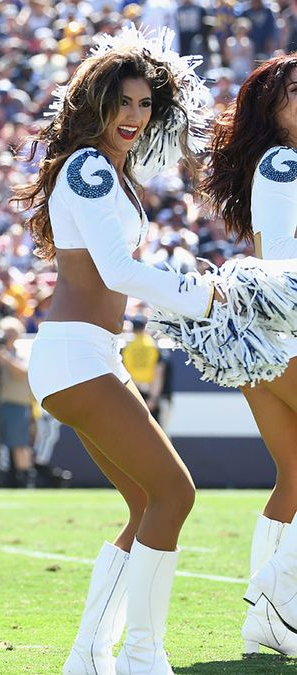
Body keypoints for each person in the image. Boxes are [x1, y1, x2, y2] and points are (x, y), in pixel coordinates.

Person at [10, 28, 220, 674]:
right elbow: (118, 270)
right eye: (121, 103)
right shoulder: (88, 168)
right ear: (96, 105)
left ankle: (90, 656)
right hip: (75, 356)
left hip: (91, 356)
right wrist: (205, 295)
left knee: (147, 501)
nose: (134, 116)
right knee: (176, 494)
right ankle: (142, 655)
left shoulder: (110, 173)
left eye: (143, 105)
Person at [201, 53, 297, 656]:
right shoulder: (286, 164)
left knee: (293, 475)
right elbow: (286, 259)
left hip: (265, 333)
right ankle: (277, 603)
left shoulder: (279, 164)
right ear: (272, 107)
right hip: (284, 329)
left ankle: (265, 621)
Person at [0, 317, 35, 489]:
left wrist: (6, 358)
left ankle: (24, 479)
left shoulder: (24, 351)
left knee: (19, 443)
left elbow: (22, 372)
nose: (8, 336)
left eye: (12, 332)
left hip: (17, 403)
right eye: (6, 332)